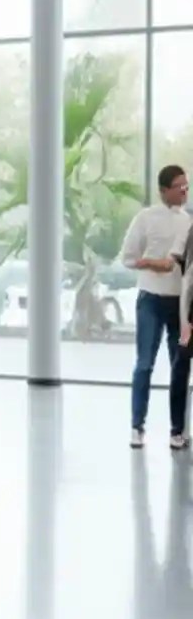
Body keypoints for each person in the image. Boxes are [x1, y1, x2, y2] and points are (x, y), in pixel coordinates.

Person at [121, 164, 192, 449]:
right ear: (164, 190)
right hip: (150, 298)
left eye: (187, 185)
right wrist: (148, 263)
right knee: (145, 363)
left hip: (180, 303)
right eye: (180, 187)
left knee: (181, 366)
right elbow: (128, 257)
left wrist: (154, 263)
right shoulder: (145, 218)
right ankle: (137, 427)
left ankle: (178, 430)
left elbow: (174, 263)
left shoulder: (188, 221)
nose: (185, 191)